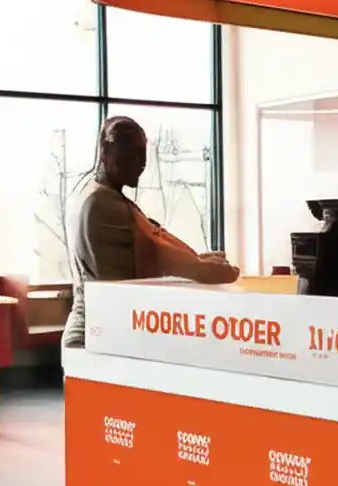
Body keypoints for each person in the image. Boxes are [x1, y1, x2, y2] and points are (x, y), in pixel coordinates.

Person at [63, 116, 239, 347]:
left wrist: (196, 259)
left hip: (99, 330)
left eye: (142, 153)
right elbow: (158, 251)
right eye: (131, 153)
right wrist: (202, 267)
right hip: (99, 335)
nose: (141, 162)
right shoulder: (102, 202)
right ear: (105, 152)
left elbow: (151, 240)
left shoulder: (87, 191)